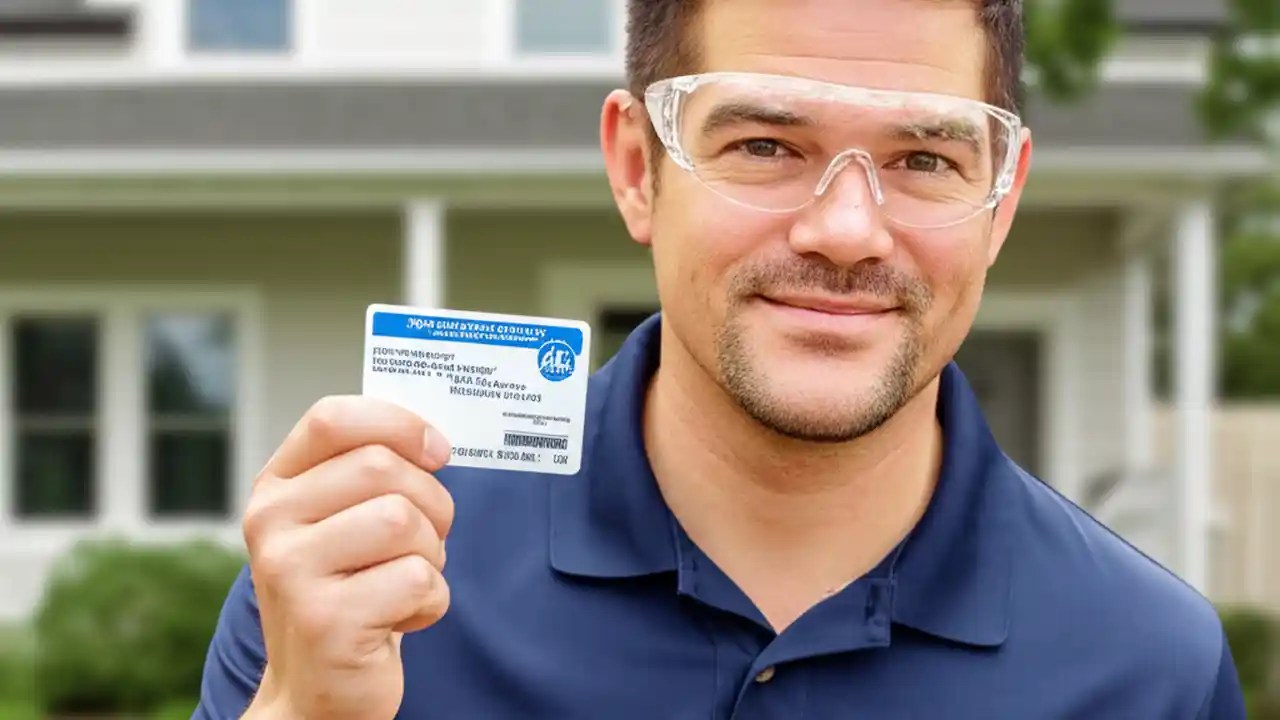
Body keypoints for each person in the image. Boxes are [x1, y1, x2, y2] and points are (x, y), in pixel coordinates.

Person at [196, 0, 1247, 717]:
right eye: (763, 146)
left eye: (923, 159)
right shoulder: (366, 584)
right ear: (633, 169)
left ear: (1000, 201)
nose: (845, 230)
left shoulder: (1149, 666)